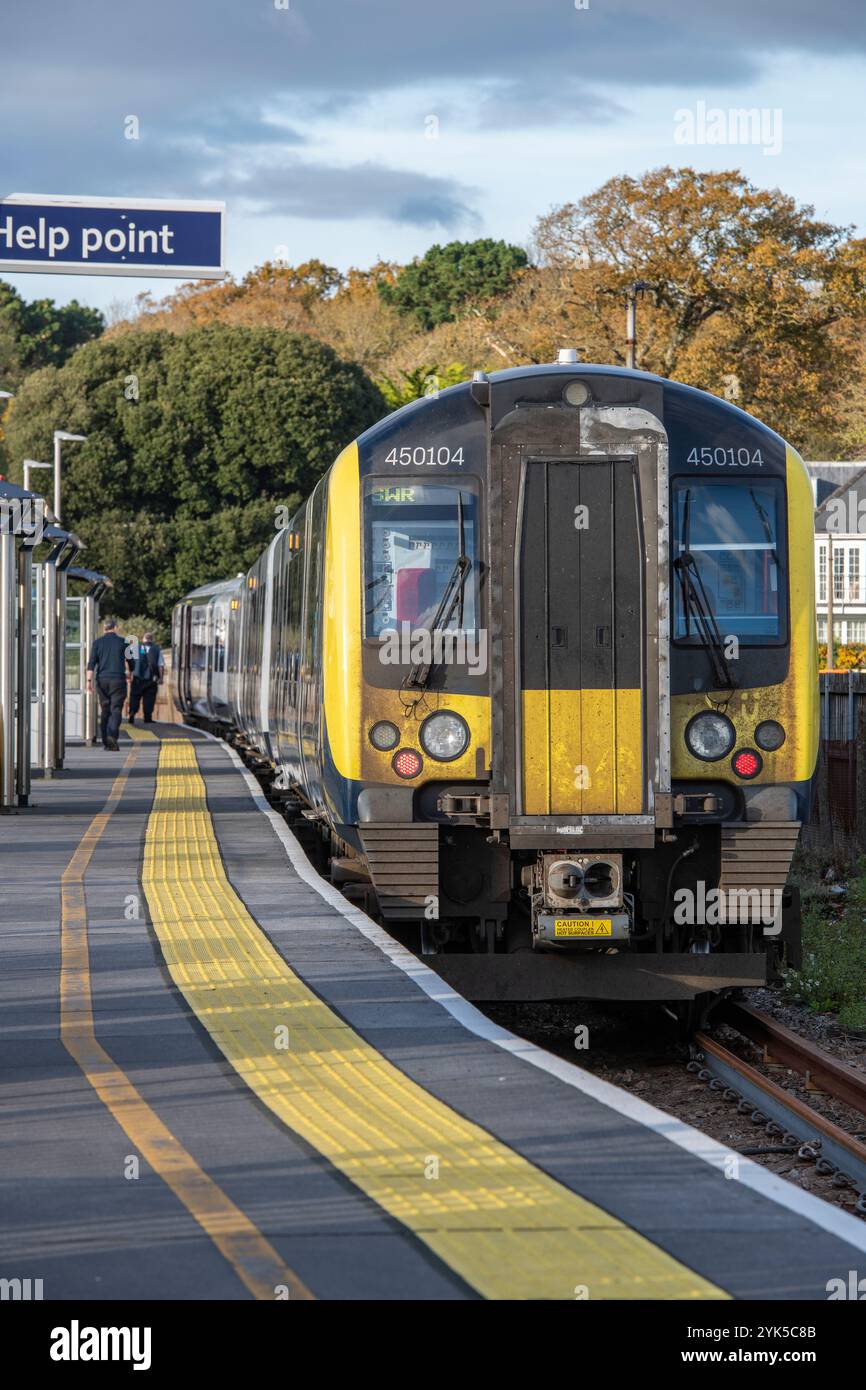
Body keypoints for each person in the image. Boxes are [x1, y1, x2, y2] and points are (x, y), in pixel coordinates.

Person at [86, 617, 130, 751]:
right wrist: (130, 673)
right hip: (118, 680)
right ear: (115, 628)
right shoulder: (124, 642)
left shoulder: (97, 643)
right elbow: (132, 661)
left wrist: (88, 681)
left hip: (102, 680)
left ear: (104, 628)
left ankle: (106, 741)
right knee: (116, 709)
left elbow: (92, 663)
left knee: (105, 709)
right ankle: (112, 736)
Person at [127, 632, 164, 724]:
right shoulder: (156, 649)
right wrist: (161, 678)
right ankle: (147, 718)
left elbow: (127, 660)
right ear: (152, 639)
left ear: (143, 639)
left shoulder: (135, 648)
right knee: (149, 698)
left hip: (137, 678)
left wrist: (129, 672)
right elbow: (161, 666)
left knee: (135, 696)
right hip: (151, 679)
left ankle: (132, 712)